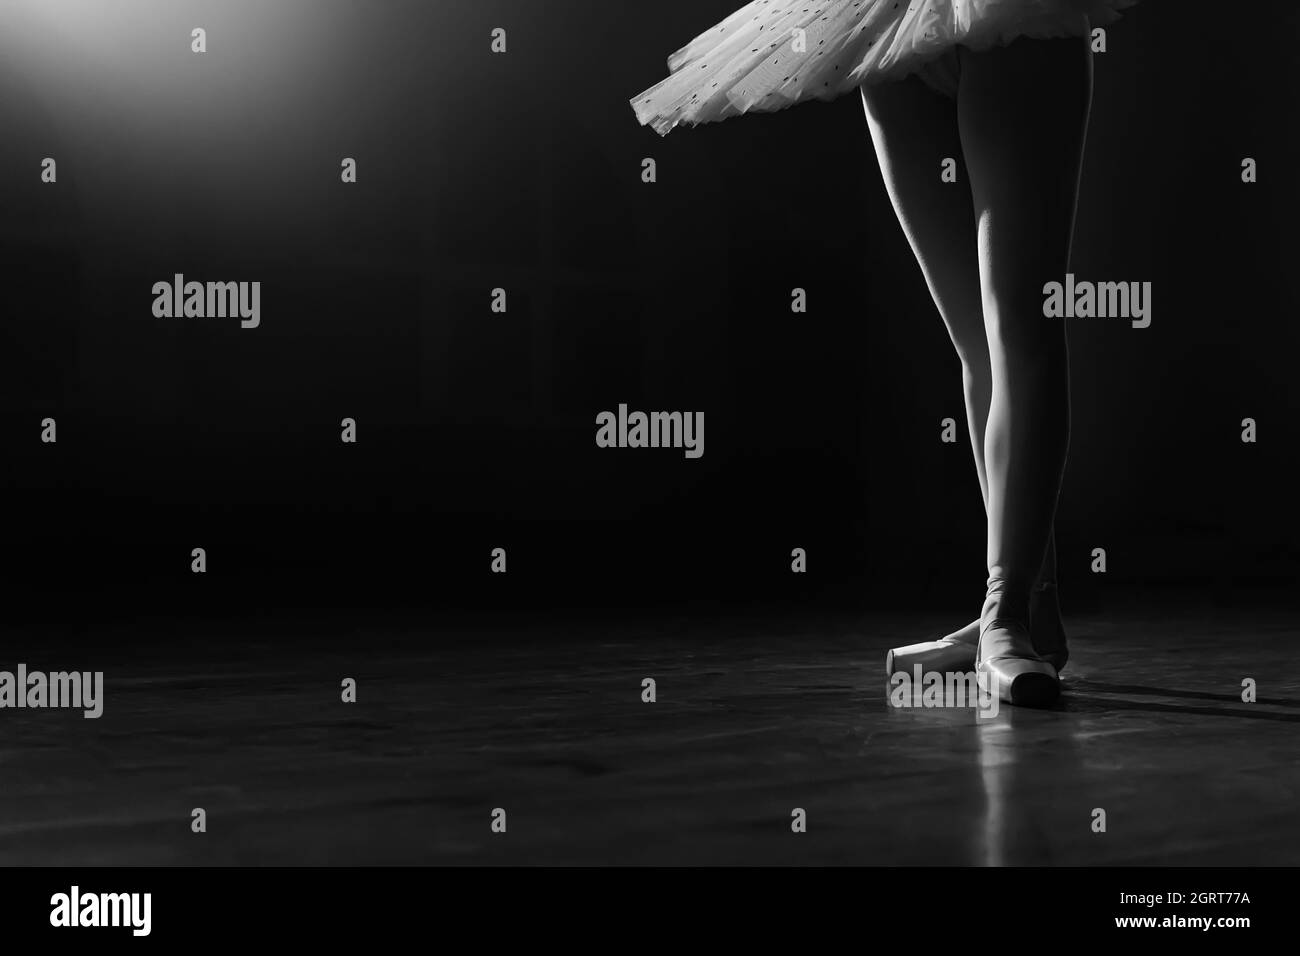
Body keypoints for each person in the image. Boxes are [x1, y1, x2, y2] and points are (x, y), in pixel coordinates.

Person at [631, 0, 1139, 706]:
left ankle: (1007, 611)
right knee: (978, 345)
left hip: (1009, 16)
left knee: (1020, 326)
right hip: (880, 23)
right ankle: (1031, 613)